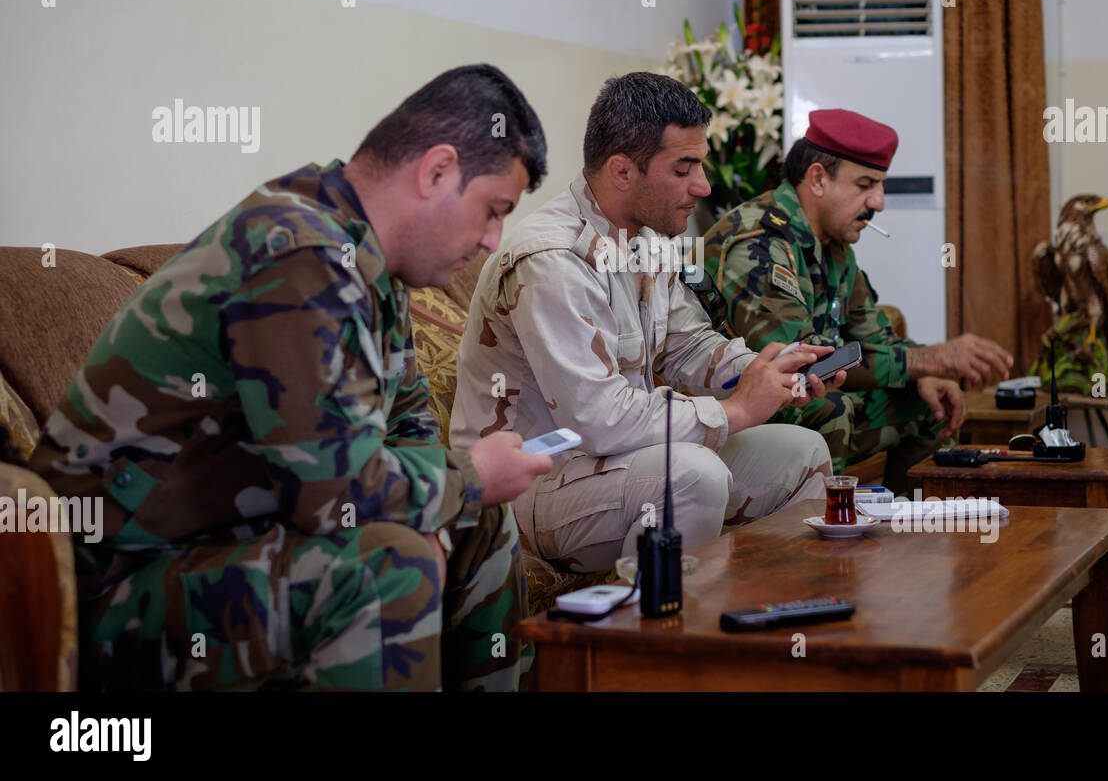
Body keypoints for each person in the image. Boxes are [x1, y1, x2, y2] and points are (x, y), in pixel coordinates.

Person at [27, 64, 555, 691]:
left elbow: (409, 428)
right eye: (493, 211)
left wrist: (452, 502)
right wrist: (467, 480)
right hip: (110, 592)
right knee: (391, 566)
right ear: (436, 170)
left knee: (481, 524)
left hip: (231, 548)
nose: (494, 240)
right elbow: (337, 495)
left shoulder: (374, 270)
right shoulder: (300, 254)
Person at [450, 72, 844, 574]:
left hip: (613, 463)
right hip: (528, 482)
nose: (702, 186)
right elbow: (599, 418)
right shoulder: (550, 261)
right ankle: (663, 640)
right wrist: (735, 411)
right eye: (685, 168)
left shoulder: (644, 242)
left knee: (802, 452)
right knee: (690, 475)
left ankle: (770, 625)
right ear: (621, 171)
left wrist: (774, 369)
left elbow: (689, 346)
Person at [702, 108, 1014, 487]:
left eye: (880, 185)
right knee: (826, 406)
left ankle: (909, 533)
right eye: (866, 184)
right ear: (818, 178)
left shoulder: (834, 244)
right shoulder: (758, 242)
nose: (879, 202)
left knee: (930, 402)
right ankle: (809, 540)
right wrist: (931, 358)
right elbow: (802, 362)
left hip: (807, 398)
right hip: (738, 408)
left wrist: (925, 373)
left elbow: (875, 337)